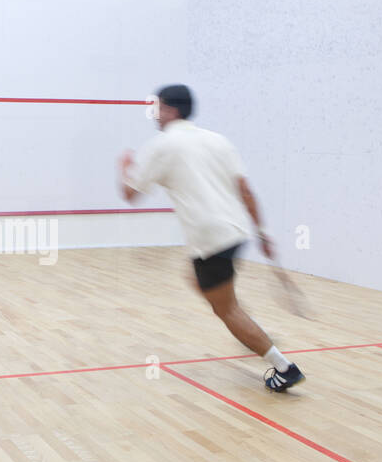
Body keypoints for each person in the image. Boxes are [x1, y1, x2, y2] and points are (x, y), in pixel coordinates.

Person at [119, 85, 304, 391]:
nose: (155, 114)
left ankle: (284, 367)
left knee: (225, 309)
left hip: (210, 239)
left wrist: (125, 168)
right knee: (197, 280)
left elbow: (130, 194)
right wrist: (263, 233)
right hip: (236, 232)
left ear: (172, 111)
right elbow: (245, 190)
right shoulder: (218, 141)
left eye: (159, 108)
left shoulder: (162, 146)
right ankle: (250, 329)